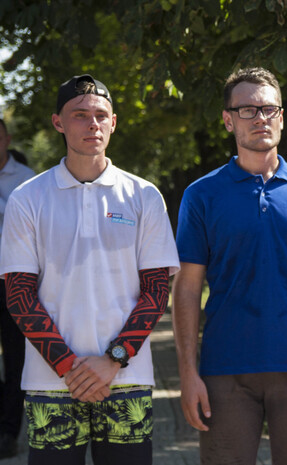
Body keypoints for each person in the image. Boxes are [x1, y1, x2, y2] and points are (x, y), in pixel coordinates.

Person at [0, 74, 180, 464]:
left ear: (114, 122)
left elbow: (155, 291)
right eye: (79, 115)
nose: (92, 124)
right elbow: (18, 294)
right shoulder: (27, 198)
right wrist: (69, 367)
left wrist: (112, 359)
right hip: (50, 382)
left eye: (101, 115)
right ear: (58, 122)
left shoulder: (144, 196)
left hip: (127, 377)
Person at [173, 67, 287, 465]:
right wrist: (188, 374)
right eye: (247, 110)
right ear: (228, 120)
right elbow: (187, 288)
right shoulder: (202, 195)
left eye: (269, 109)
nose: (260, 117)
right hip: (226, 371)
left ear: (282, 117)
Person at [0, 119, 35, 458]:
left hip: (15, 283)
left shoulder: (29, 182)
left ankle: (9, 432)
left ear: (7, 139)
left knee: (15, 360)